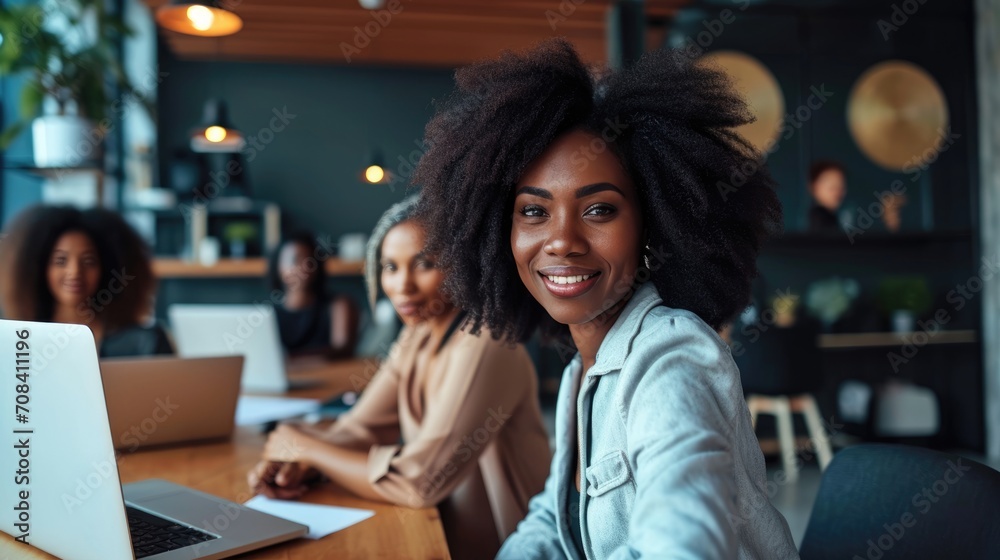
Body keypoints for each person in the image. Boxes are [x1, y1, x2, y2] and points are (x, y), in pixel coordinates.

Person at [412, 40, 799, 558]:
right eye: (533, 212)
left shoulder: (672, 360)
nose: (562, 241)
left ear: (653, 226)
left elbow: (683, 545)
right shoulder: (581, 374)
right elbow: (554, 519)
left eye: (598, 210)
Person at [248, 196, 551, 559]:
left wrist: (305, 446)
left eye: (424, 264)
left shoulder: (487, 340)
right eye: (390, 266)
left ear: (462, 264)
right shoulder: (417, 334)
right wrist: (299, 465)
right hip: (439, 534)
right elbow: (360, 429)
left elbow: (421, 482)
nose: (402, 285)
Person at [0, 205, 171, 357]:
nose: (75, 272)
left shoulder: (145, 345)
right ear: (38, 269)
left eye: (88, 262)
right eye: (61, 261)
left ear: (107, 269)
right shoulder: (17, 345)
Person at [267, 230, 359, 358]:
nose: (304, 268)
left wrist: (291, 359)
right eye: (294, 260)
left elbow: (342, 350)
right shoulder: (267, 315)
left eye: (309, 262)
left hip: (330, 377)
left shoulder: (338, 305)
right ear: (278, 266)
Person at [807, 160, 847, 233]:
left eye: (841, 187)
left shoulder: (831, 218)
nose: (837, 192)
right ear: (814, 187)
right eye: (831, 187)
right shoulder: (817, 219)